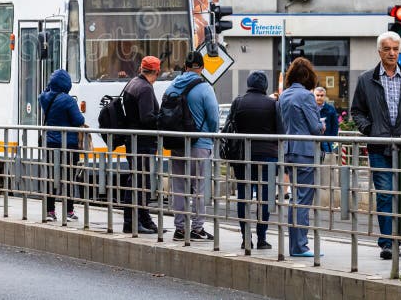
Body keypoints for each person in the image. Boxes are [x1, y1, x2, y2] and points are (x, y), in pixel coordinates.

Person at [351, 31, 401, 260]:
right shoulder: (367, 79)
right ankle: (388, 242)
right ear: (379, 52)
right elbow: (357, 111)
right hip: (379, 147)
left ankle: (399, 236)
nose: (392, 53)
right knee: (385, 194)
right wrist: (369, 129)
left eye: (395, 48)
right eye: (387, 49)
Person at [168, 51, 219, 242]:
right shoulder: (205, 88)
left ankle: (180, 228)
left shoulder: (173, 85)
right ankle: (197, 229)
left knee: (179, 186)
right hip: (200, 143)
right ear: (202, 67)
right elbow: (213, 116)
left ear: (186, 66)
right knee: (199, 187)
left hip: (177, 142)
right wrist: (211, 134)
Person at [230, 70, 284, 250]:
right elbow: (281, 131)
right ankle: (262, 238)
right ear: (265, 86)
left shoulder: (238, 102)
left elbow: (230, 127)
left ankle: (246, 238)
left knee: (244, 197)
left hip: (243, 156)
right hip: (268, 156)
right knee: (265, 197)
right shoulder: (273, 104)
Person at [280, 57, 323, 257]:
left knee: (294, 200)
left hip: (289, 151)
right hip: (305, 152)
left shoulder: (284, 95)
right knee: (303, 200)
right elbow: (315, 128)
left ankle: (294, 246)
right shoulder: (306, 96)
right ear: (308, 76)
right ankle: (300, 246)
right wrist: (322, 125)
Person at [121, 55, 162, 234]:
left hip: (133, 140)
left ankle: (143, 219)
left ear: (141, 68)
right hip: (142, 141)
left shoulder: (133, 83)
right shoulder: (145, 88)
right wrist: (162, 119)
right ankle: (132, 221)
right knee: (139, 182)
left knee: (138, 180)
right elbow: (147, 118)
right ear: (156, 71)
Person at [39, 69, 85, 222]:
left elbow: (45, 92)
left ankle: (50, 211)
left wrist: (49, 87)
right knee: (69, 178)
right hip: (68, 145)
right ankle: (69, 211)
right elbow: (79, 120)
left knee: (52, 177)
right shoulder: (68, 100)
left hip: (51, 143)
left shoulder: (44, 98)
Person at [314, 86, 339, 156]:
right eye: (317, 95)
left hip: (327, 140)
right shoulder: (311, 108)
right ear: (314, 96)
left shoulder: (330, 109)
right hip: (314, 139)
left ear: (325, 96)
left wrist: (331, 140)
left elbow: (335, 126)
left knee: (327, 160)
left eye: (321, 95)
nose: (319, 97)